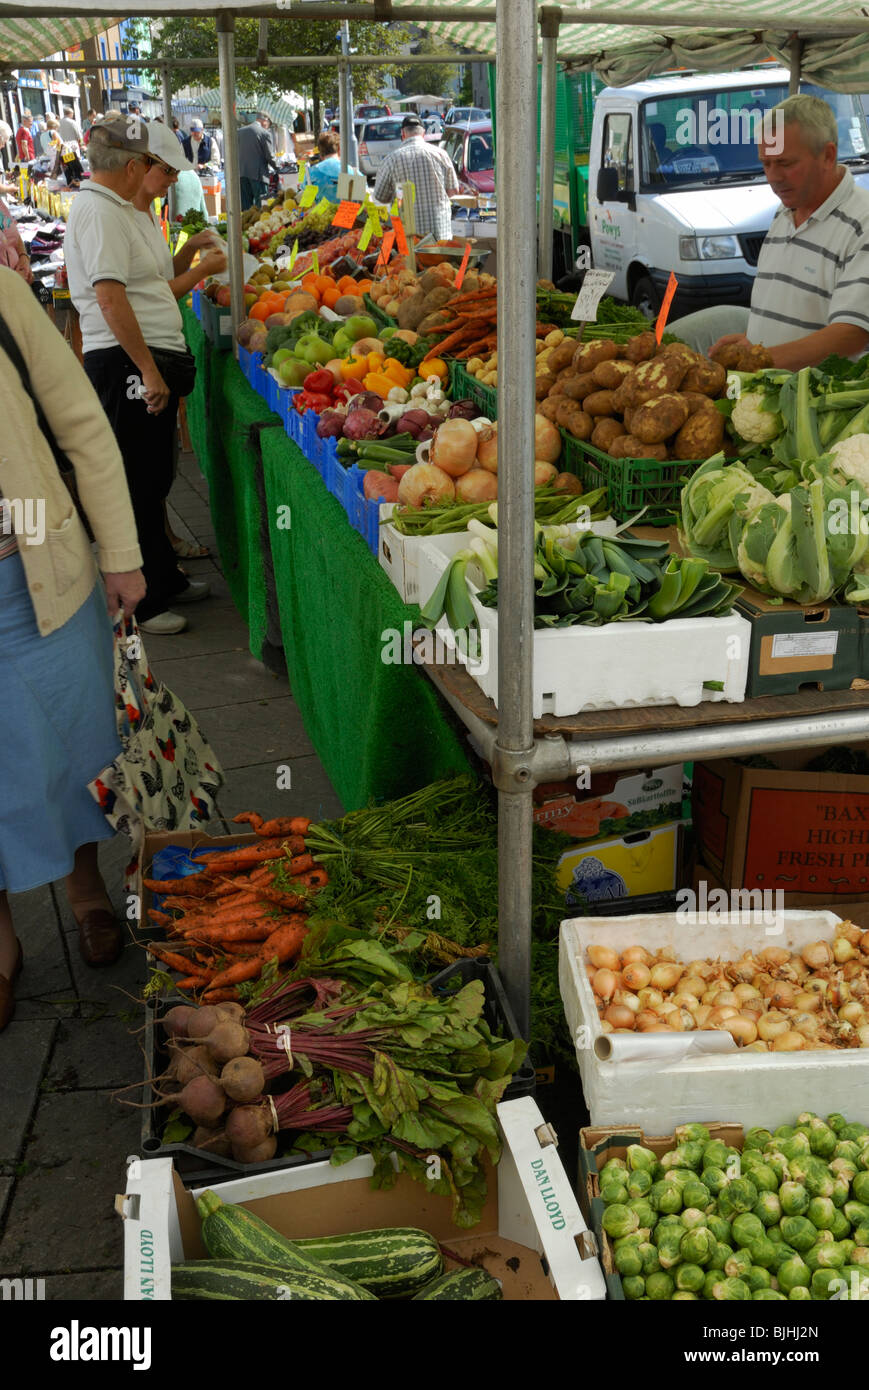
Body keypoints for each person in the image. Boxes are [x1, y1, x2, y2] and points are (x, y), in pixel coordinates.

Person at [0, 265, 146, 1024]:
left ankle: (85, 886)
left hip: (30, 576)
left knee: (79, 739)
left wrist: (121, 551)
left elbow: (83, 425)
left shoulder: (1, 294)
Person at [64, 113, 210, 637]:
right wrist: (147, 369)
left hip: (139, 357)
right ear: (132, 166)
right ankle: (141, 602)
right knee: (136, 480)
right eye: (151, 163)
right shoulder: (100, 212)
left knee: (151, 477)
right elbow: (109, 297)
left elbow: (139, 283)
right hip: (126, 360)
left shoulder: (115, 208)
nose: (157, 173)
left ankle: (163, 578)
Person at [674, 95, 869, 370]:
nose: (774, 178)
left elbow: (851, 335)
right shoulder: (784, 211)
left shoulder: (862, 223)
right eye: (766, 164)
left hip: (820, 405)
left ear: (828, 155)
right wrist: (754, 342)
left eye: (785, 163)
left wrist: (759, 359)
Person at [132, 122, 226, 559]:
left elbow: (162, 273)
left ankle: (165, 543)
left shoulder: (148, 212)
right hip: (141, 355)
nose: (174, 181)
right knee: (147, 468)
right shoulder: (119, 216)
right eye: (168, 172)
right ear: (142, 165)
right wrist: (204, 271)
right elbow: (148, 294)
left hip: (159, 350)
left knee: (160, 465)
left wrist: (191, 249)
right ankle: (156, 559)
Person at [373, 113, 460, 240]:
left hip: (407, 236)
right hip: (440, 233)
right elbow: (453, 192)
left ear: (402, 134)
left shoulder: (391, 160)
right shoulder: (441, 154)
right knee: (442, 260)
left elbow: (381, 197)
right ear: (423, 133)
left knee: (408, 260)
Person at [307, 129, 361, 204]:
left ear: (320, 153)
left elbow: (306, 202)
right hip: (347, 215)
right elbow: (365, 202)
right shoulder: (352, 172)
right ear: (339, 149)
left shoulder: (310, 174)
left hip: (320, 215)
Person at [238, 112, 278, 211]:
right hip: (258, 175)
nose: (268, 126)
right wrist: (280, 168)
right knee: (261, 208)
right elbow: (270, 156)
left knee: (246, 209)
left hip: (241, 174)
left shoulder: (239, 131)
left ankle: (245, 226)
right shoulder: (264, 133)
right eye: (269, 123)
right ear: (265, 120)